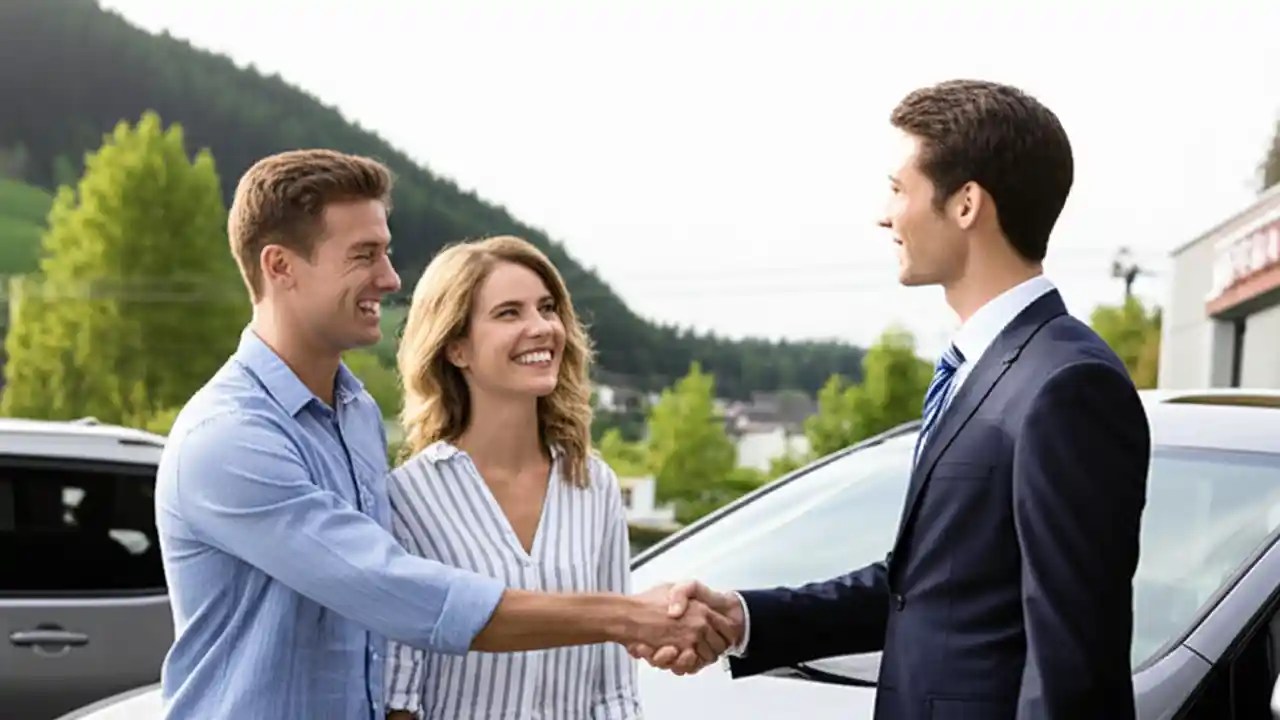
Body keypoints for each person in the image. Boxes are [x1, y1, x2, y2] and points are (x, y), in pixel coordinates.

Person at [636, 79, 1152, 719]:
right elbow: (923, 591)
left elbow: (1076, 659)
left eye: (898, 188)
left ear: (966, 204)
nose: (885, 214)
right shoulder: (979, 368)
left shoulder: (1067, 385)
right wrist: (743, 618)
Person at [154, 149, 731, 719]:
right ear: (280, 267)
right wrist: (628, 616)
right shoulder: (228, 438)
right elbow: (396, 591)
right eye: (364, 255)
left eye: (386, 253)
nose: (390, 277)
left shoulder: (353, 411)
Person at [382, 235, 642, 719]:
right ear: (456, 347)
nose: (542, 328)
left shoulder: (593, 485)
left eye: (547, 308)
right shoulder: (406, 499)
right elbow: (399, 695)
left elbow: (614, 683)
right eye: (509, 313)